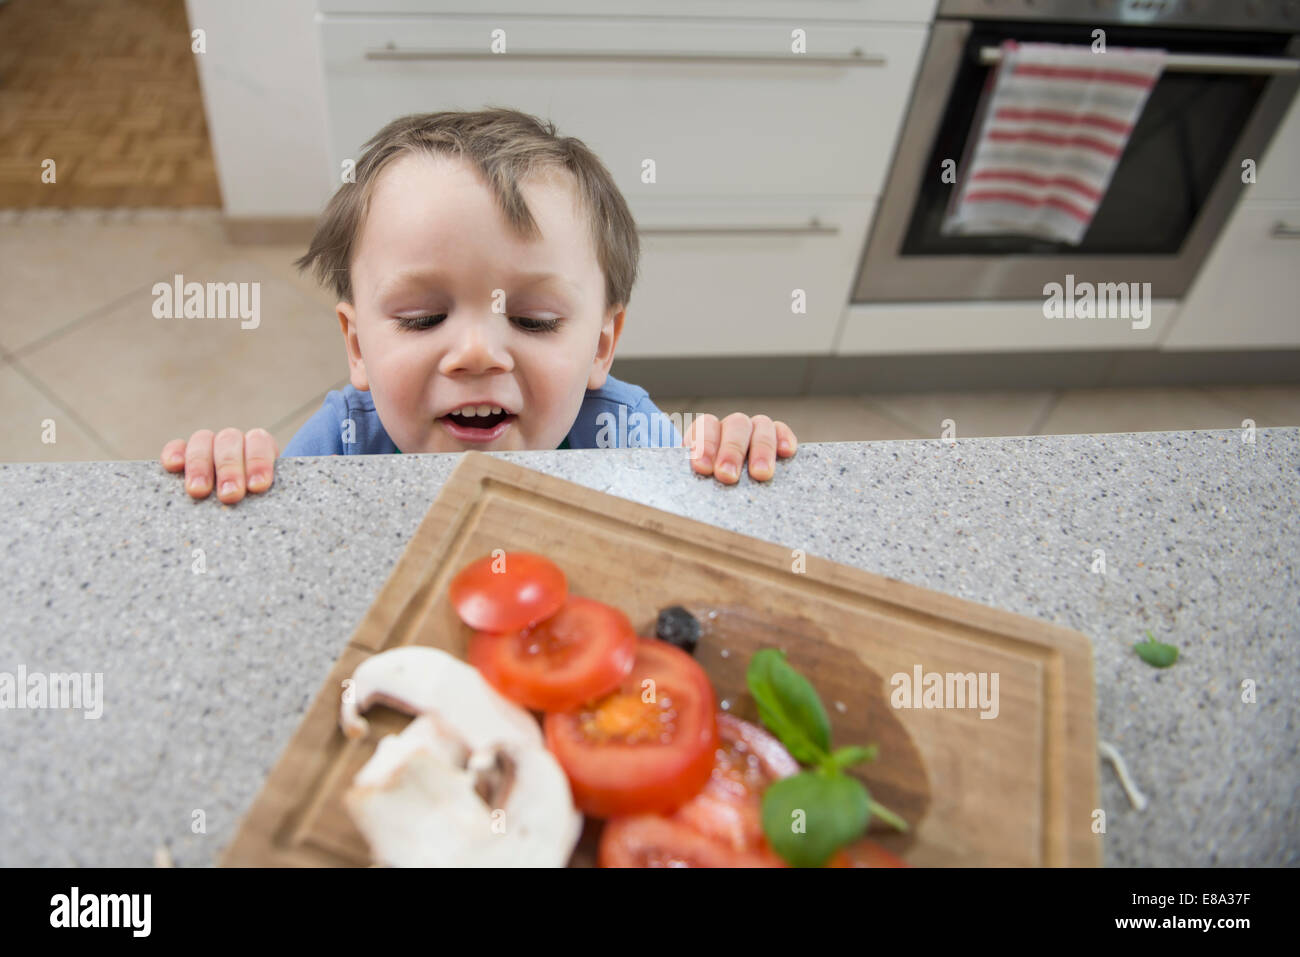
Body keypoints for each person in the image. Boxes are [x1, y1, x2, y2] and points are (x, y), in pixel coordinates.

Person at [160, 109, 798, 503]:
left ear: (602, 344)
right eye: (422, 319)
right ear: (357, 346)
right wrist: (234, 472)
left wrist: (736, 463)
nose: (475, 353)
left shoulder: (620, 431)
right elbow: (281, 540)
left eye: (532, 321)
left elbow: (697, 524)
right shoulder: (346, 437)